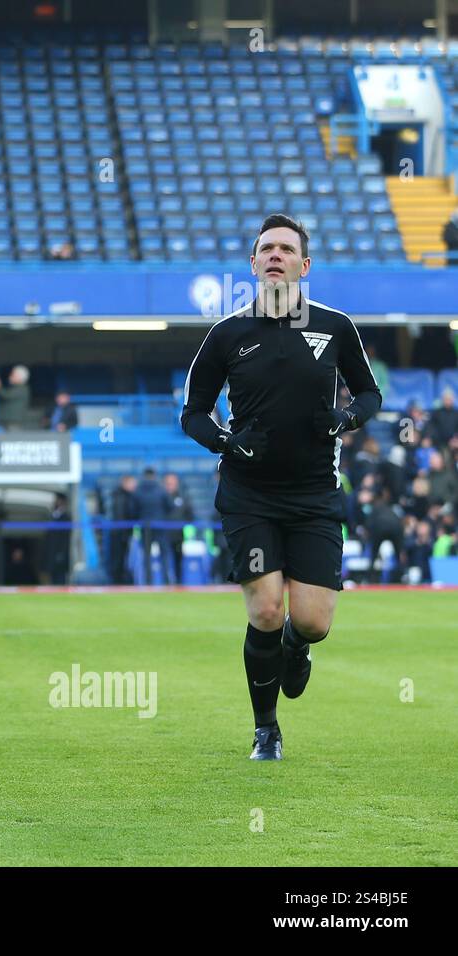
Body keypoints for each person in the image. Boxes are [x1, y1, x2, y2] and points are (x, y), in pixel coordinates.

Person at [181, 213, 382, 761]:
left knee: (312, 622)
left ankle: (297, 645)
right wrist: (226, 442)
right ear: (253, 263)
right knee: (266, 610)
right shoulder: (227, 334)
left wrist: (346, 419)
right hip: (249, 495)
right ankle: (265, 729)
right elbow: (193, 413)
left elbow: (370, 395)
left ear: (304, 265)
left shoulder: (335, 327)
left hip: (315, 494)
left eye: (286, 249)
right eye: (266, 248)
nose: (275, 255)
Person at [43, 492, 72, 585]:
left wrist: (62, 553)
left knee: (60, 578)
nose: (56, 502)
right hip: (52, 553)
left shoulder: (66, 517)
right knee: (53, 578)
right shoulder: (53, 516)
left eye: (58, 500)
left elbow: (65, 538)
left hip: (60, 553)